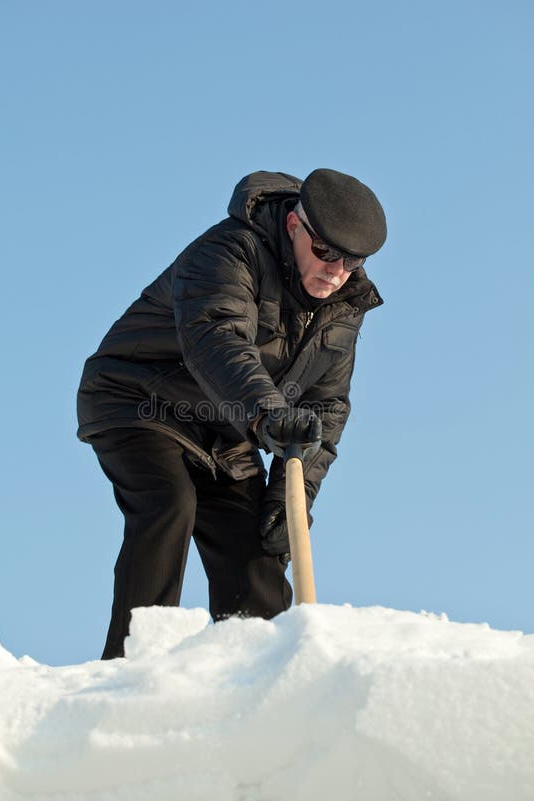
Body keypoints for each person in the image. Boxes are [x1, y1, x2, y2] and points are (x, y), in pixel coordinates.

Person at [77, 169, 387, 659]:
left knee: (259, 555)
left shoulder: (344, 306)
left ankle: (258, 690)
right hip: (142, 400)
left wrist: (293, 501)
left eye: (352, 260)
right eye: (326, 252)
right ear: (293, 226)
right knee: (170, 504)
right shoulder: (228, 251)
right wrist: (267, 414)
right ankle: (130, 672)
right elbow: (216, 339)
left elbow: (325, 409)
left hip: (228, 432)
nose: (336, 270)